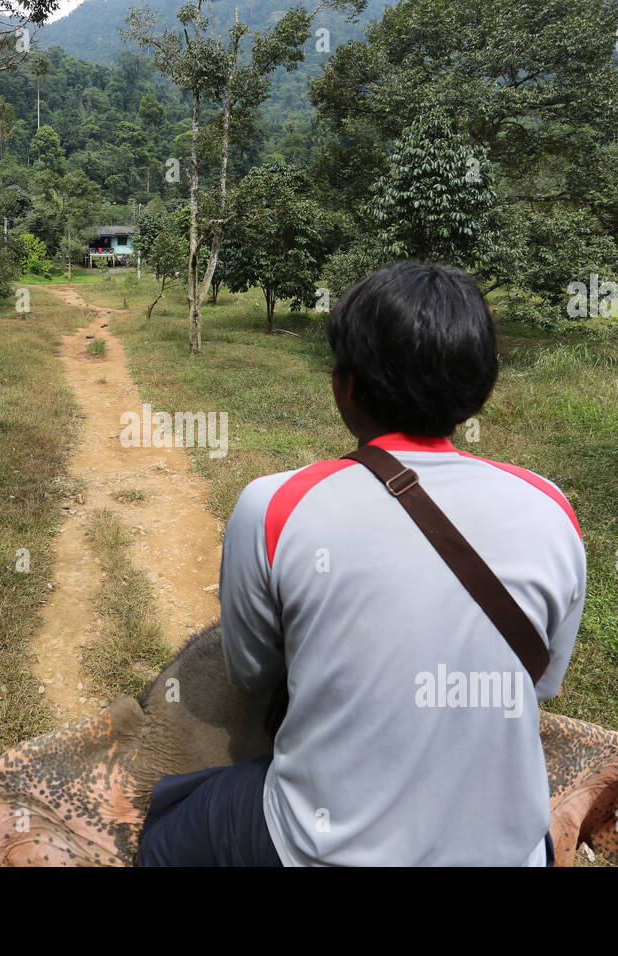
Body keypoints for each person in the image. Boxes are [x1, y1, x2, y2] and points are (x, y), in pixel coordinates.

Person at [136, 261, 587, 866]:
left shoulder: (275, 506)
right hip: (513, 853)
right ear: (479, 385)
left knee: (164, 832)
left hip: (312, 847)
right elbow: (543, 686)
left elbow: (251, 675)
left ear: (346, 386)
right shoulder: (551, 508)